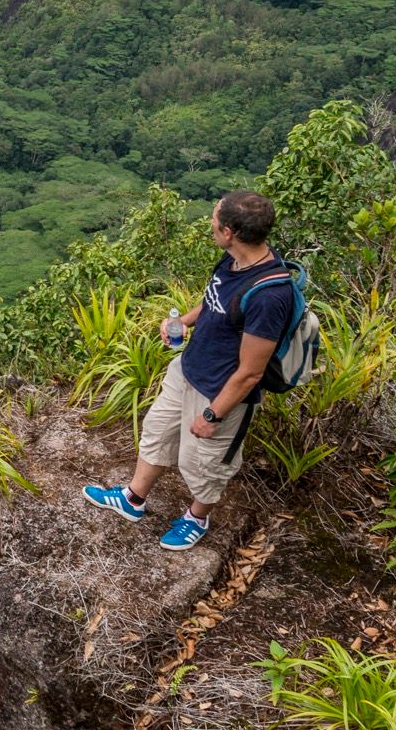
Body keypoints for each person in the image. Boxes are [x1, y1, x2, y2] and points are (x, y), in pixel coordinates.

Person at [82, 190, 294, 550]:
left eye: (214, 221)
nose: (209, 225)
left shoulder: (269, 296)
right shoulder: (233, 261)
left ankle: (196, 518)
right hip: (190, 368)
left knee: (203, 463)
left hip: (220, 391)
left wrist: (214, 414)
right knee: (157, 433)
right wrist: (184, 320)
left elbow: (250, 372)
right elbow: (212, 301)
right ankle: (133, 500)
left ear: (230, 232)